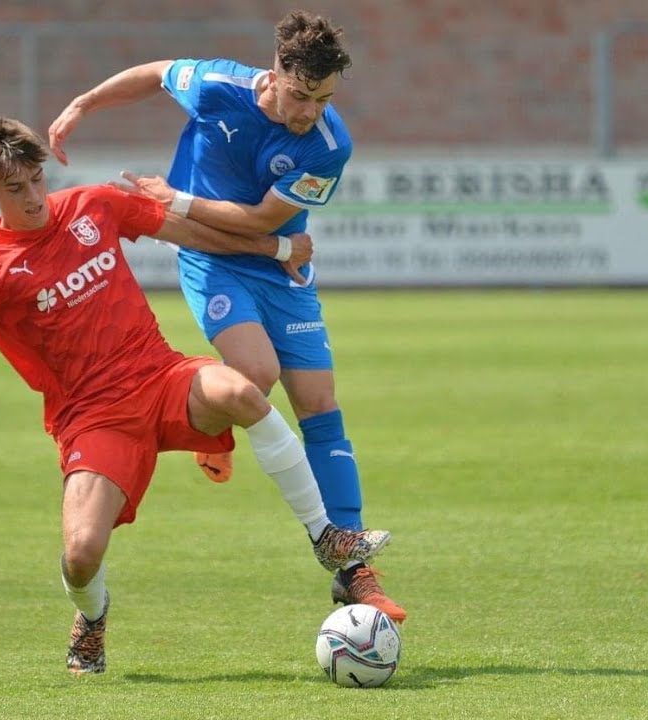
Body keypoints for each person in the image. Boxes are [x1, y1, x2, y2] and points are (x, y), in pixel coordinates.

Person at [0, 115, 391, 675]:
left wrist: (277, 248)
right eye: (15, 188)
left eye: (37, 179)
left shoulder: (93, 206)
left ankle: (327, 537)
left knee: (244, 390)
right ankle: (92, 618)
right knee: (82, 555)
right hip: (92, 419)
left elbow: (192, 234)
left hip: (159, 376)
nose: (35, 196)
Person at [46, 10, 407, 623]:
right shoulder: (217, 86)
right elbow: (156, 73)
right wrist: (85, 102)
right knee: (255, 374)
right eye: (300, 95)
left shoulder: (328, 145)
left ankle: (351, 568)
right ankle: (217, 433)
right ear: (276, 74)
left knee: (320, 404)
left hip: (281, 265)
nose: (308, 112)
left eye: (323, 99)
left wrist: (176, 198)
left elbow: (264, 220)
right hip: (213, 262)